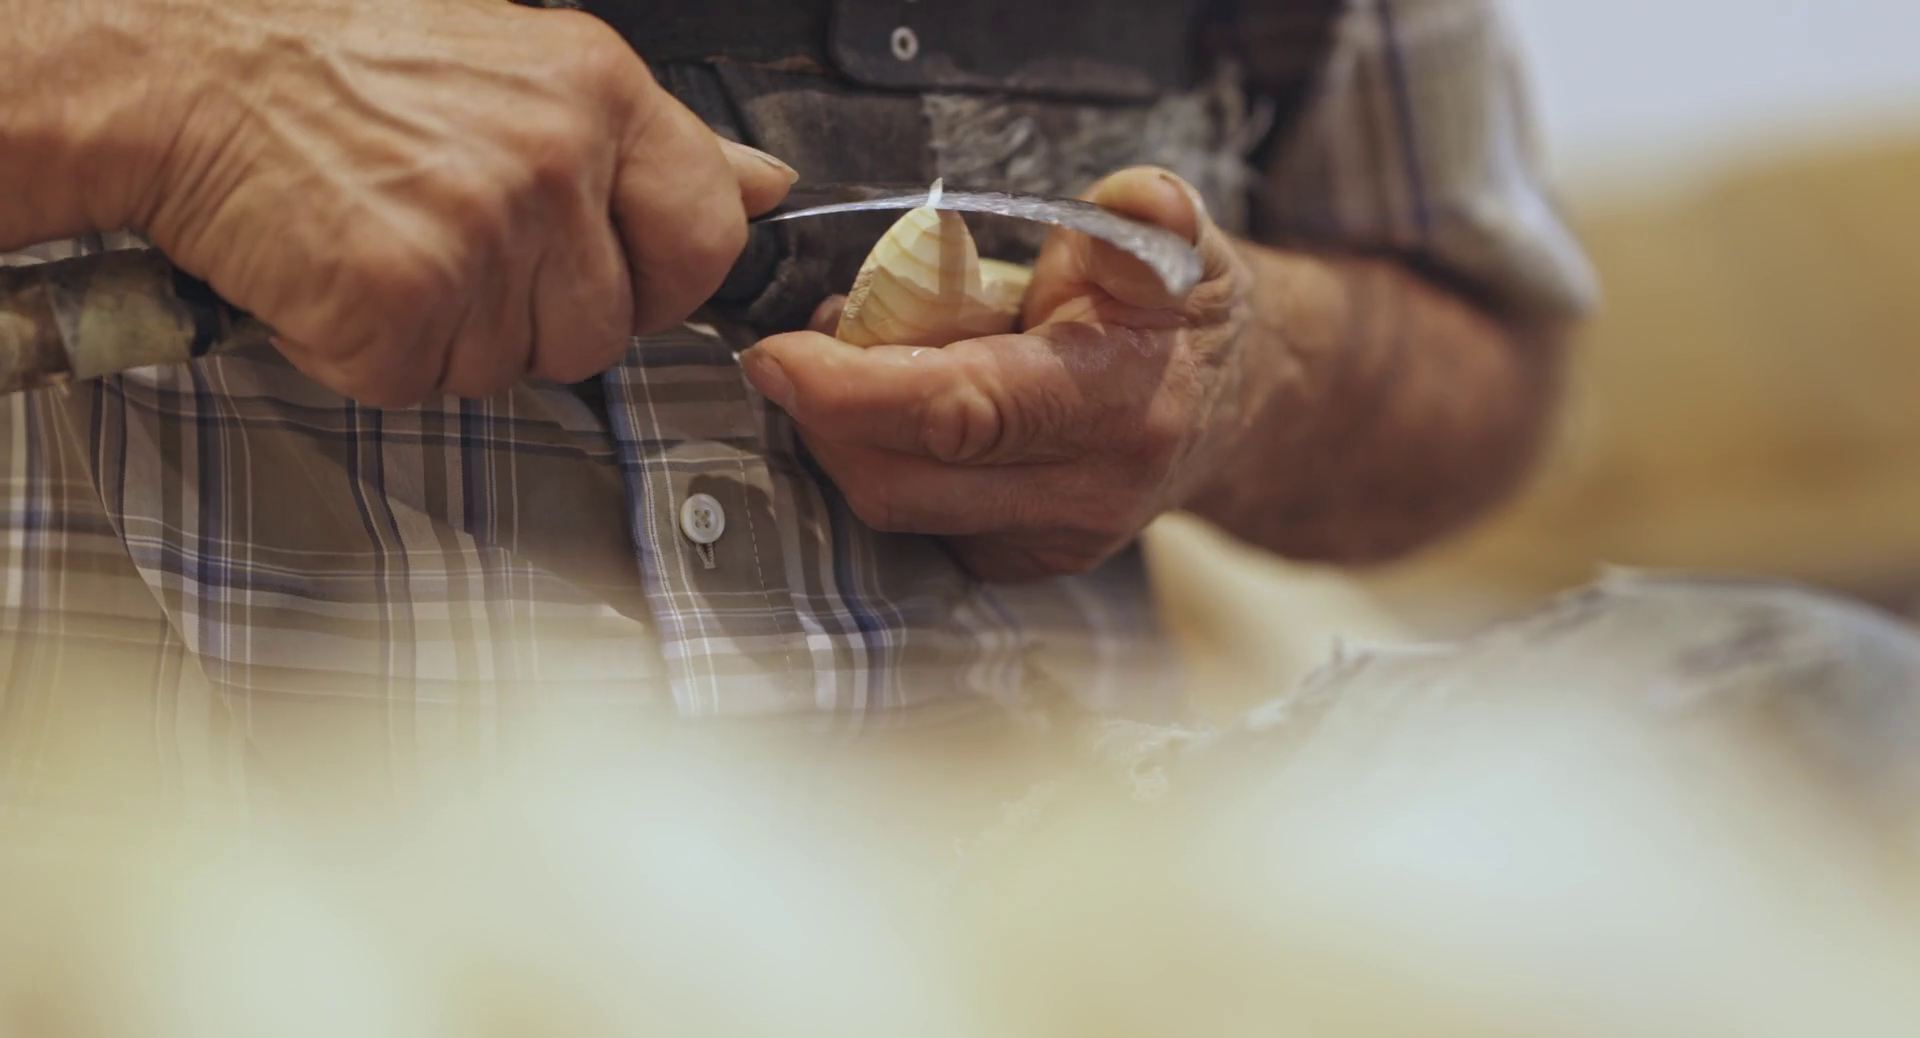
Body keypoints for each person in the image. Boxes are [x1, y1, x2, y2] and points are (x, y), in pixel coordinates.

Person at [0, 0, 1595, 786]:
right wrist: (163, 90)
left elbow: (1477, 346)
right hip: (171, 980)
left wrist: (1247, 381)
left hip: (1040, 984)